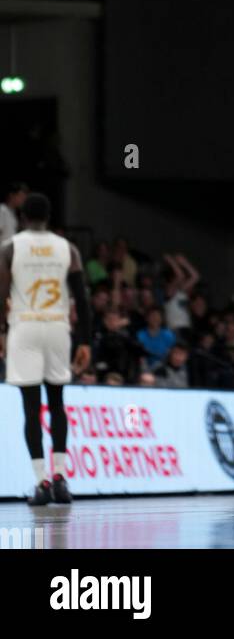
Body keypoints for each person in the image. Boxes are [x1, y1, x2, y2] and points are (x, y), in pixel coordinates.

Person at [0, 193, 91, 504]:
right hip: (57, 327)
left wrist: (1, 331)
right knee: (57, 404)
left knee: (30, 408)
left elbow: (0, 295)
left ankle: (41, 484)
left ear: (23, 218)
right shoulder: (69, 249)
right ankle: (61, 479)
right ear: (49, 218)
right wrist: (86, 341)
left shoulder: (10, 248)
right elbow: (84, 298)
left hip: (24, 327)